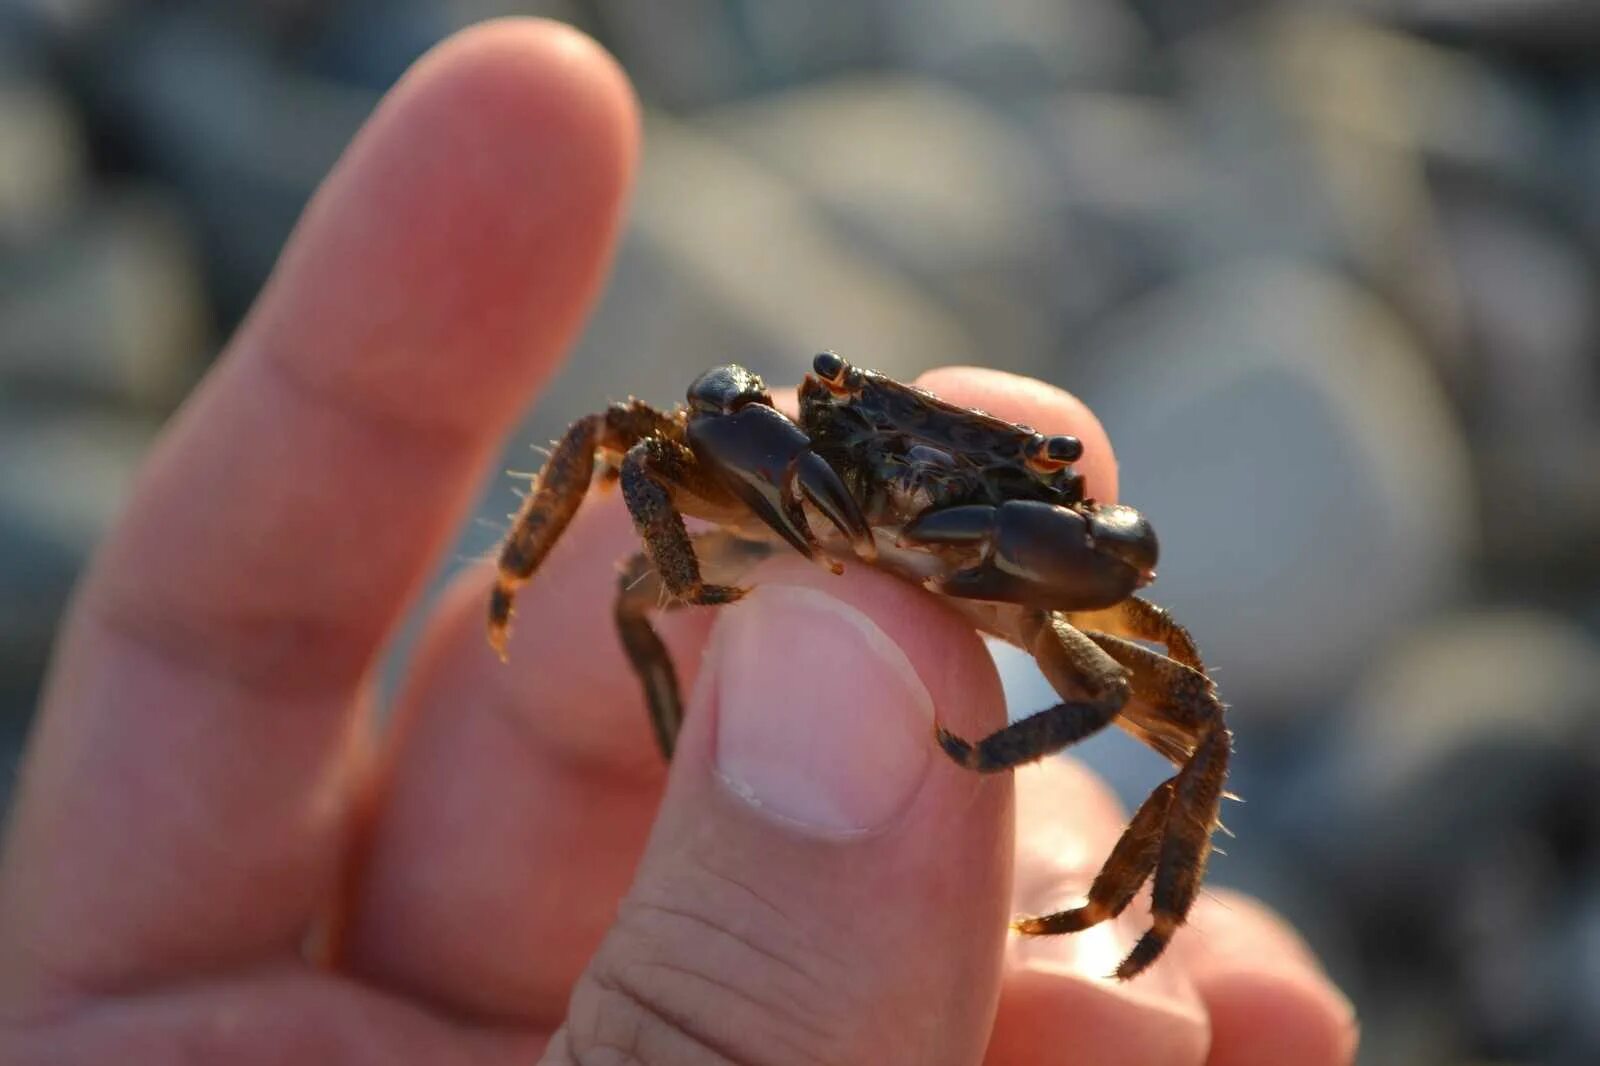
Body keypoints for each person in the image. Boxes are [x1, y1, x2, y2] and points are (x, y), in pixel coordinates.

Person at [0, 19, 1357, 1065]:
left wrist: (1012, 737)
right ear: (835, 415)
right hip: (793, 524)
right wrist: (589, 561)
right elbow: (648, 442)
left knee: (1189, 719)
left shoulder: (1062, 574)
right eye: (865, 437)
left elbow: (1132, 658)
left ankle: (1117, 918)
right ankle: (630, 672)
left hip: (996, 580)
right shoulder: (799, 451)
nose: (909, 475)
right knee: (640, 488)